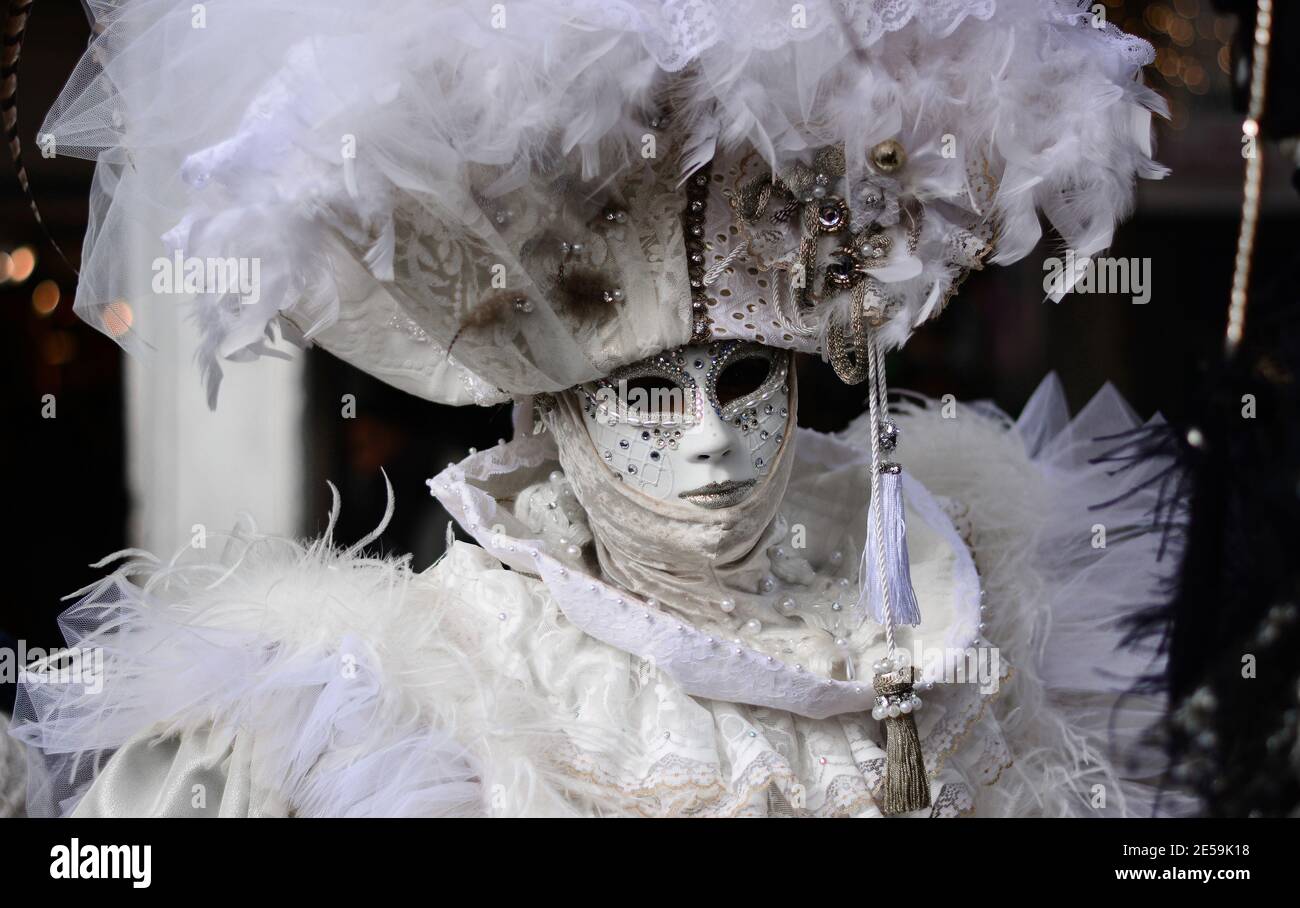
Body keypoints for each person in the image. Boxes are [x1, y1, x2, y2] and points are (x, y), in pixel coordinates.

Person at [11, 0, 1183, 817]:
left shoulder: (952, 611)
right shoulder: (427, 678)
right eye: (644, 401)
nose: (712, 438)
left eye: (743, 384)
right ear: (559, 421)